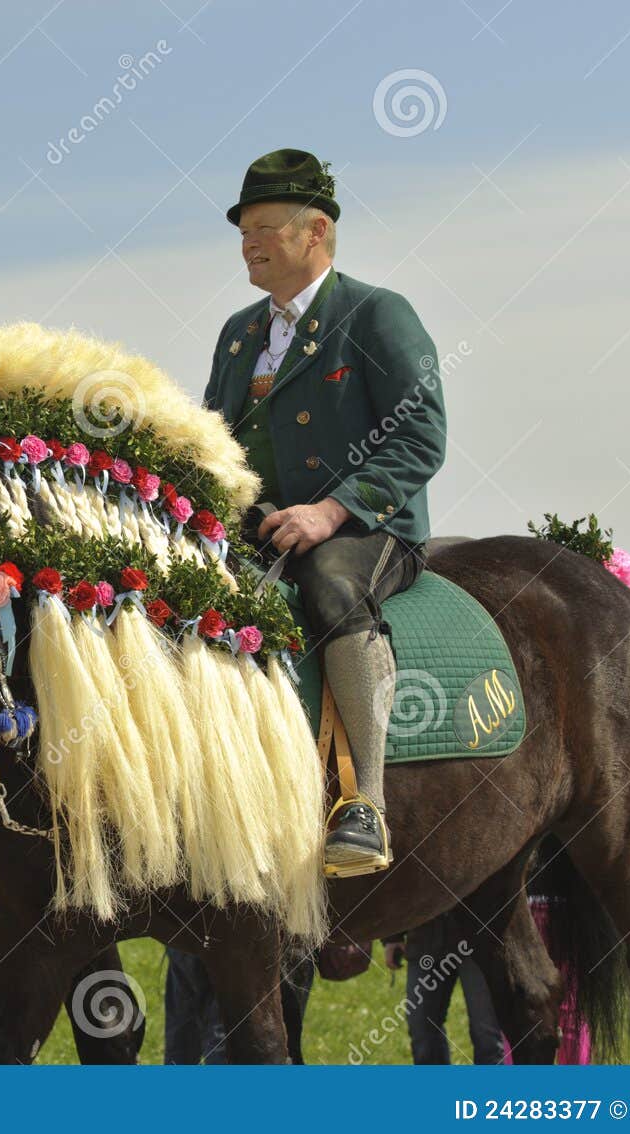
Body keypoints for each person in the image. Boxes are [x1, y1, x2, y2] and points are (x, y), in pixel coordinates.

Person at [202, 148, 447, 874]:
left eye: (266, 228)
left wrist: (332, 510)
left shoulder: (375, 315)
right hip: (263, 527)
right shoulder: (239, 332)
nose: (249, 244)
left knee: (333, 586)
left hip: (369, 529)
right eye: (243, 231)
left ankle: (364, 802)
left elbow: (420, 432)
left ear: (317, 231)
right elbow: (217, 438)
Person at [383, 921, 505, 1064]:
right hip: (424, 939)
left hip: (478, 940)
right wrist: (392, 937)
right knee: (422, 1033)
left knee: (487, 1037)